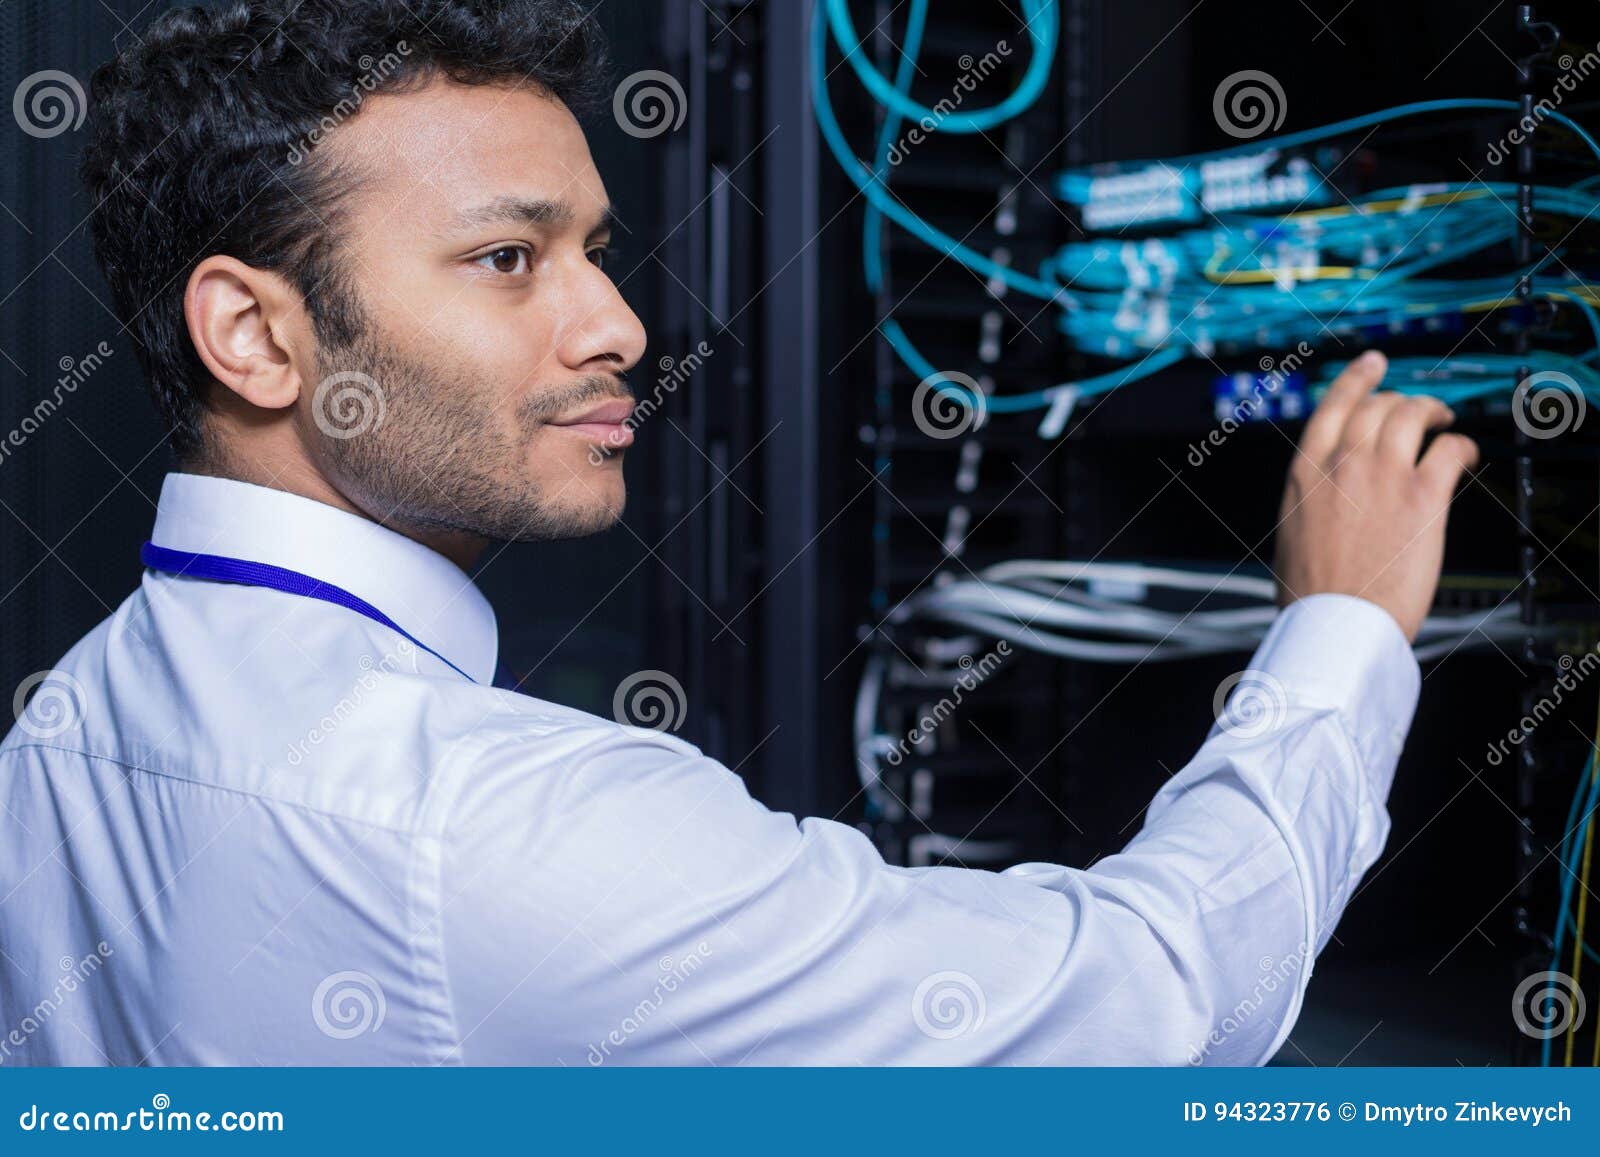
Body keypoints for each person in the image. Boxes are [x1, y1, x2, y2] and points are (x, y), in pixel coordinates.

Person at [0, 0, 1477, 1066]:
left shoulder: (57, 730)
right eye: (509, 260)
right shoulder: (511, 828)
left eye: (596, 250)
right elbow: (1161, 1010)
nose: (621, 326)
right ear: (254, 337)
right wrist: (1339, 626)